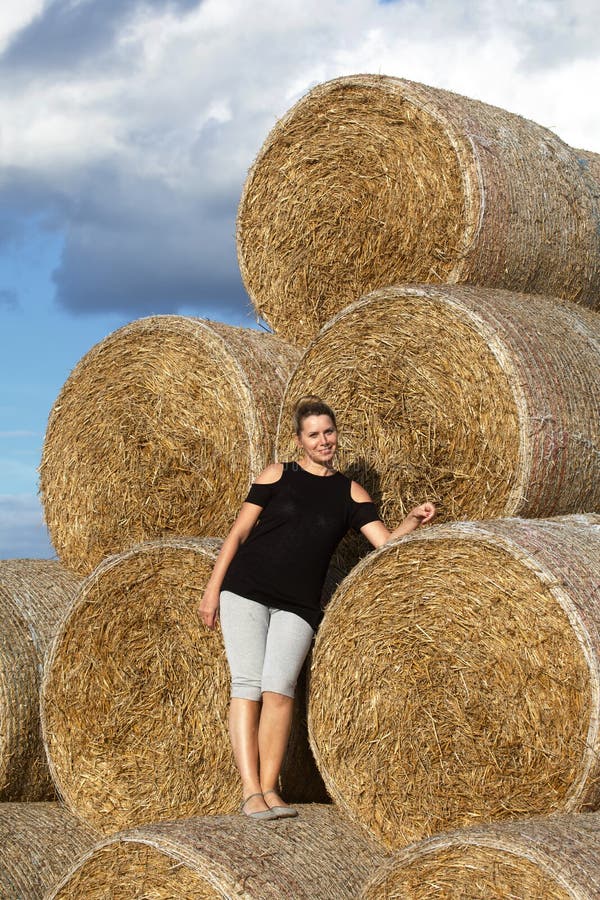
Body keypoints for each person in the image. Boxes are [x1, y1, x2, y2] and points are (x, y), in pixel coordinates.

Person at [198, 396, 435, 821]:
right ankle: (250, 791)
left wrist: (413, 520)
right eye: (314, 434)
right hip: (246, 589)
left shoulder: (349, 492)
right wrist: (212, 590)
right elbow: (238, 533)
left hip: (301, 603)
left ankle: (272, 788)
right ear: (299, 440)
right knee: (248, 685)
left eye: (329, 432)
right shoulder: (277, 475)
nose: (324, 440)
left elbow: (385, 546)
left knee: (279, 689)